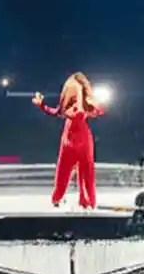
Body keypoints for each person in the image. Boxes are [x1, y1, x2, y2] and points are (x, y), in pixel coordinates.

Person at [33, 72, 106, 209]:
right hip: (68, 140)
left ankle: (88, 202)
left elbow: (98, 111)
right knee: (62, 172)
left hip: (82, 140)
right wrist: (41, 105)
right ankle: (57, 199)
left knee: (86, 174)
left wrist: (95, 104)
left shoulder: (85, 104)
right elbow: (56, 112)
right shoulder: (68, 105)